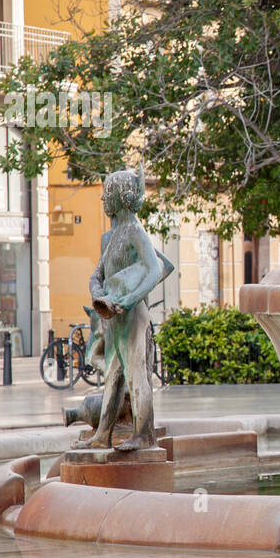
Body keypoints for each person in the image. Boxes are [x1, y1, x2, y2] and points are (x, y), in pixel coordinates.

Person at [87, 167, 173, 452]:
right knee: (112, 377)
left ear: (122, 197)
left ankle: (144, 433)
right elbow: (96, 274)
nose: (103, 200)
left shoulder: (136, 231)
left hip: (132, 316)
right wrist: (98, 293)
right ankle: (103, 435)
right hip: (113, 317)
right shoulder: (113, 236)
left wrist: (128, 300)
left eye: (107, 193)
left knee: (137, 375)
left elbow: (153, 271)